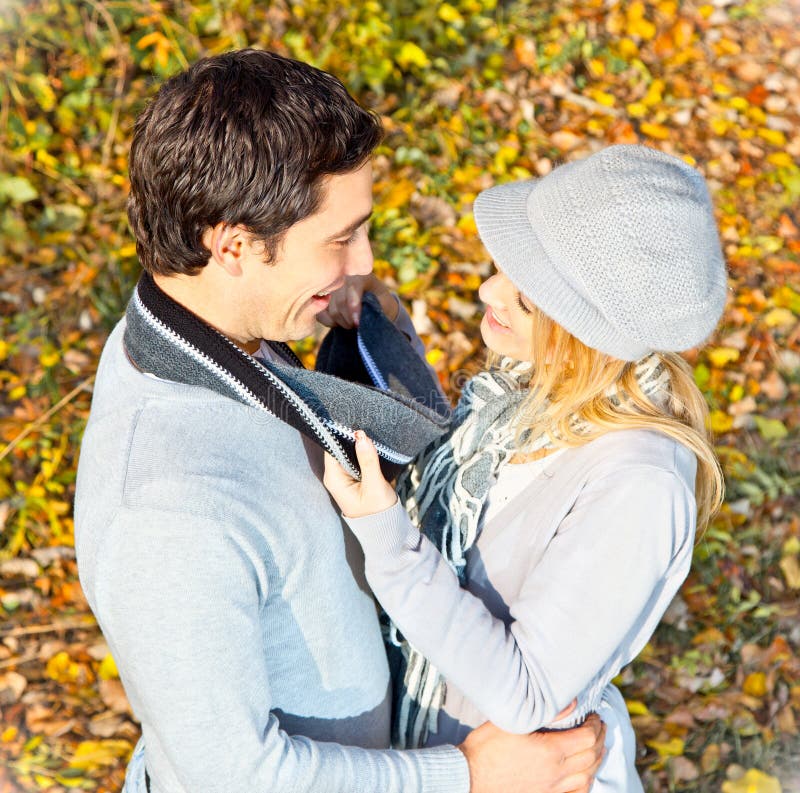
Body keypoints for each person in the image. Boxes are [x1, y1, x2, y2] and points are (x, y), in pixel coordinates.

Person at [73, 49, 606, 793]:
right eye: (340, 238)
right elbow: (234, 776)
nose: (365, 260)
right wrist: (467, 776)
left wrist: (337, 309)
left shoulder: (208, 331)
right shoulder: (164, 513)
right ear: (232, 246)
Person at [323, 144, 728, 791]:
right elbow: (465, 501)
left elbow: (527, 690)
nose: (488, 290)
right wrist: (381, 325)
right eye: (502, 267)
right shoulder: (527, 396)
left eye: (529, 297)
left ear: (588, 335)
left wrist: (388, 539)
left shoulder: (640, 484)